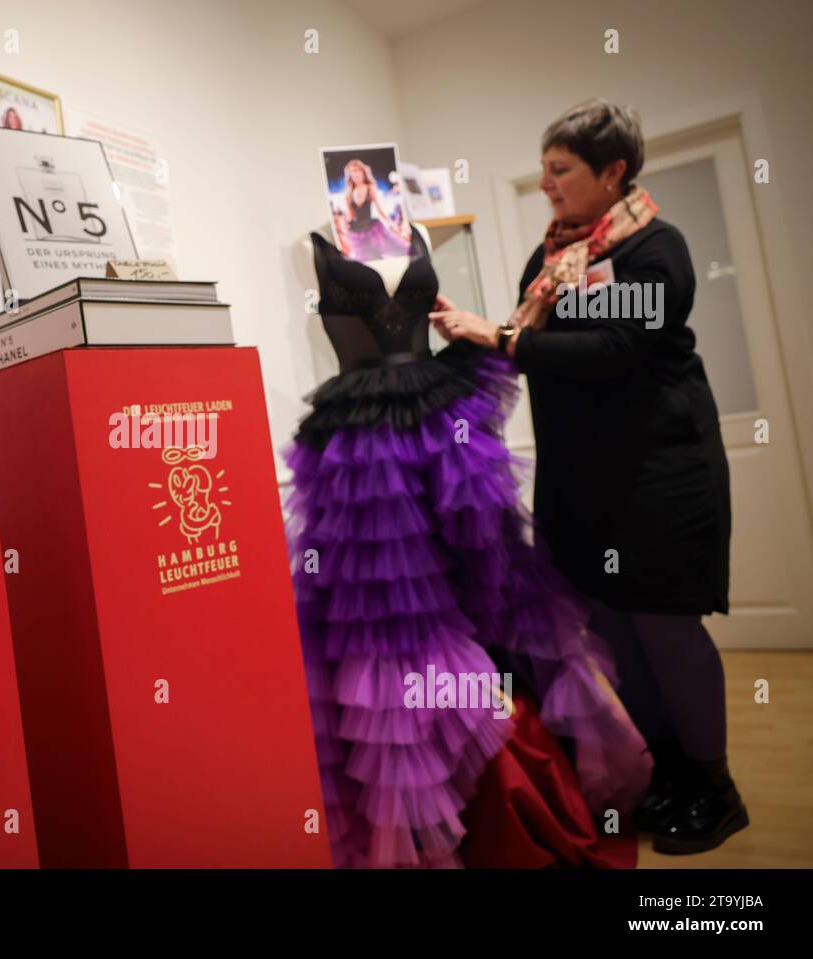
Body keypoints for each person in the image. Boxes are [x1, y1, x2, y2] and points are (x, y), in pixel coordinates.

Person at [431, 99, 745, 855]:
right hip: (583, 482)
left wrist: (501, 335)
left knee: (666, 630)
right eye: (543, 169)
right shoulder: (550, 261)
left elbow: (615, 349)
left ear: (613, 172)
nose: (546, 183)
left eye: (561, 169)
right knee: (611, 632)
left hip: (659, 479)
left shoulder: (654, 251)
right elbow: (525, 343)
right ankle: (665, 769)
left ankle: (714, 785)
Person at [286, 221, 650, 868]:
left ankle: (504, 744)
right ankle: (424, 811)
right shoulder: (318, 242)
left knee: (481, 563)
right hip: (363, 438)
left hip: (437, 406)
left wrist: (529, 311)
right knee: (394, 606)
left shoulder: (420, 232)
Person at [340, 158, 410, 260]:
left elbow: (379, 209)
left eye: (357, 170)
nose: (355, 174)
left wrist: (392, 224)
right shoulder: (349, 193)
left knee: (396, 248)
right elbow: (350, 216)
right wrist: (344, 228)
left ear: (362, 172)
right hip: (356, 232)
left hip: (372, 228)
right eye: (352, 171)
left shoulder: (370, 188)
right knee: (364, 260)